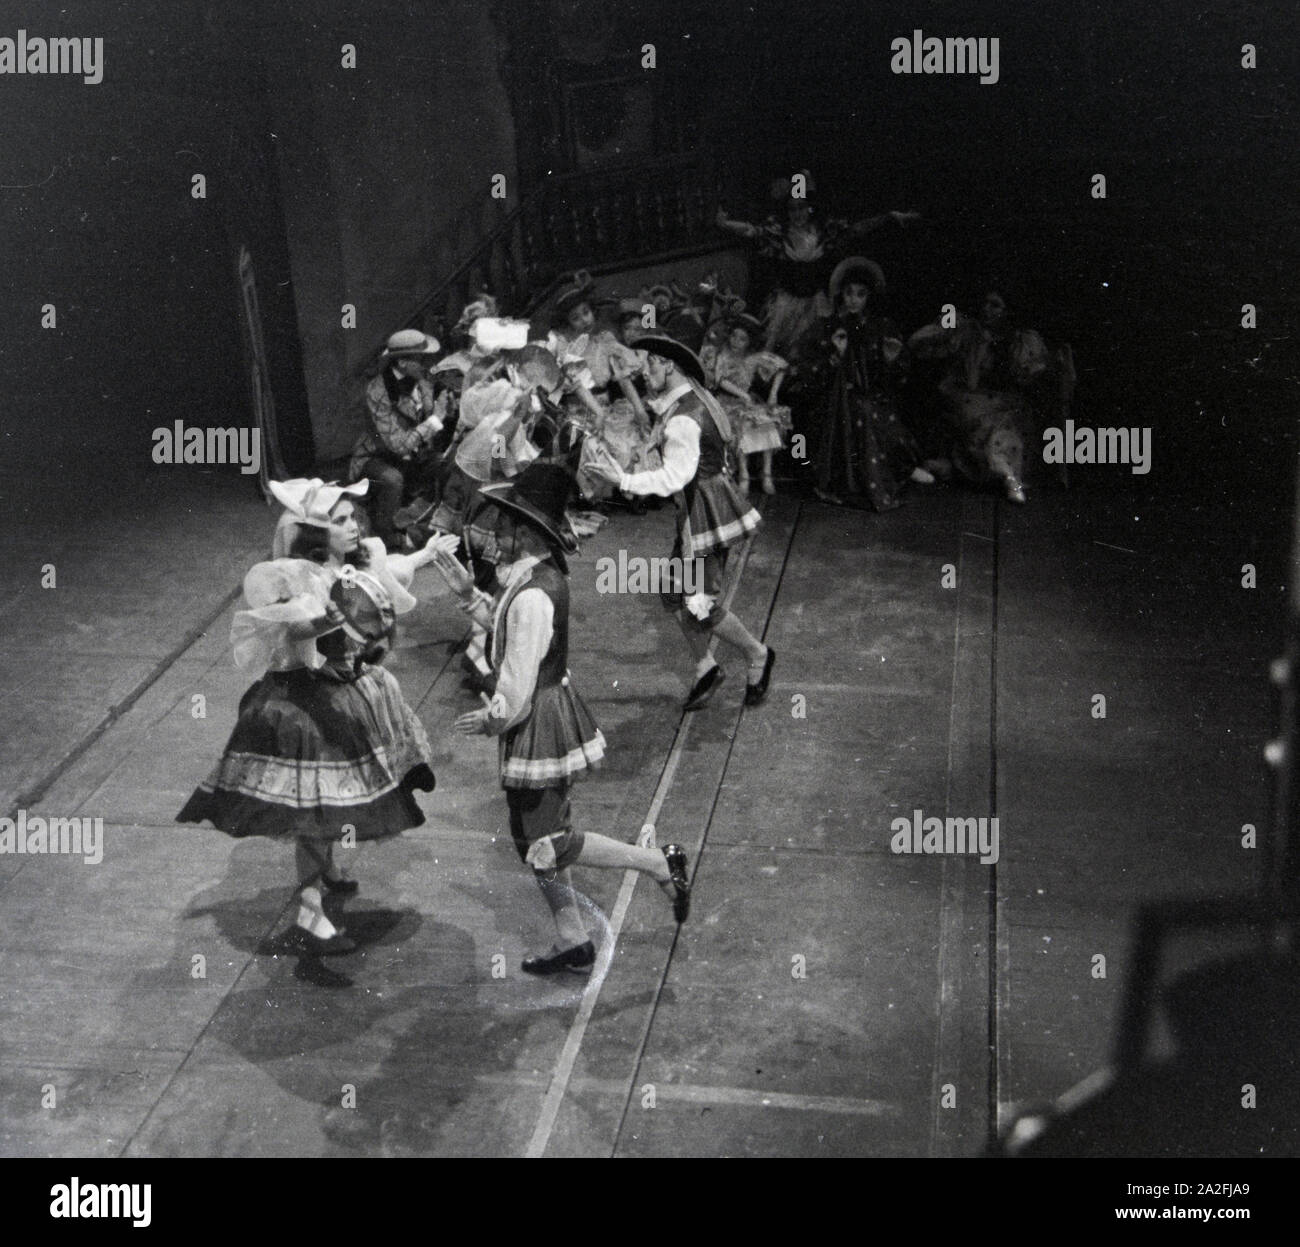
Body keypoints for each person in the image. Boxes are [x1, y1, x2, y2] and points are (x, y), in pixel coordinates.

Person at [425, 463, 692, 975]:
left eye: (503, 525)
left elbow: (518, 680)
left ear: (524, 531)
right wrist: (466, 592)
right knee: (533, 839)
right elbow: (505, 636)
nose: (495, 534)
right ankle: (572, 938)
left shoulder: (532, 594)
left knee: (550, 840)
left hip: (537, 721)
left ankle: (659, 863)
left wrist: (491, 719)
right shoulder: (530, 580)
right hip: (540, 716)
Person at [178, 478, 444, 956]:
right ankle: (309, 911)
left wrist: (425, 557)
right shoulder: (296, 577)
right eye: (339, 520)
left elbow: (388, 577)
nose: (353, 527)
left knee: (336, 805)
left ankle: (325, 872)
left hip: (349, 689)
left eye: (352, 518)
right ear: (315, 531)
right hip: (306, 703)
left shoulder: (358, 564)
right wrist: (336, 617)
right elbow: (295, 626)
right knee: (317, 813)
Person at [586, 336, 776, 711]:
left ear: (667, 365)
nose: (644, 371)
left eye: (650, 364)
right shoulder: (693, 396)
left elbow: (673, 477)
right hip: (702, 508)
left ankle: (758, 654)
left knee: (698, 604)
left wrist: (622, 480)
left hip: (704, 516)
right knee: (675, 593)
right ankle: (706, 667)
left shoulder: (685, 419)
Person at [716, 172, 920, 357]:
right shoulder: (780, 233)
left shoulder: (824, 232)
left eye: (802, 208)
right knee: (776, 349)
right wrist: (727, 225)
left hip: (814, 303)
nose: (797, 214)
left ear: (810, 208)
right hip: (786, 303)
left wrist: (890, 217)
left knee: (807, 350)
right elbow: (752, 231)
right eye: (792, 209)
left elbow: (857, 230)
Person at [907, 290, 1062, 504]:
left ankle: (1009, 477)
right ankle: (1006, 476)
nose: (987, 309)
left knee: (1011, 426)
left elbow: (1032, 373)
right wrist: (945, 327)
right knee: (983, 423)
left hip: (1004, 401)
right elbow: (921, 344)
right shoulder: (967, 330)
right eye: (986, 303)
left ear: (1007, 311)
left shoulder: (1020, 339)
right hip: (968, 396)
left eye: (995, 306)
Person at [801, 256, 930, 509]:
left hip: (872, 394)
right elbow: (807, 371)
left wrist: (891, 361)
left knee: (874, 413)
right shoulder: (828, 327)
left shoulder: (881, 327)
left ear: (869, 297)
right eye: (849, 293)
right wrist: (835, 356)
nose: (853, 300)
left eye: (860, 294)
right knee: (859, 413)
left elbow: (898, 378)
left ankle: (901, 469)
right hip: (834, 399)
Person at [348, 330, 447, 548]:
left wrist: (439, 409)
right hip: (376, 456)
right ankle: (387, 537)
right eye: (421, 359)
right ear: (403, 363)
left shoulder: (422, 379)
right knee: (392, 480)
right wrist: (432, 422)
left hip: (413, 454)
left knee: (443, 464)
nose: (427, 363)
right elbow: (396, 445)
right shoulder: (377, 390)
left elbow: (429, 421)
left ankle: (425, 526)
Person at [700, 310, 791, 495]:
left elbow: (782, 366)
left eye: (742, 339)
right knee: (742, 423)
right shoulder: (721, 355)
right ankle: (744, 474)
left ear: (749, 342)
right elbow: (720, 380)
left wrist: (773, 393)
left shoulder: (752, 359)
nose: (736, 341)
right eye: (734, 336)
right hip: (723, 403)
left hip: (745, 402)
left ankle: (766, 472)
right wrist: (744, 395)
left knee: (766, 420)